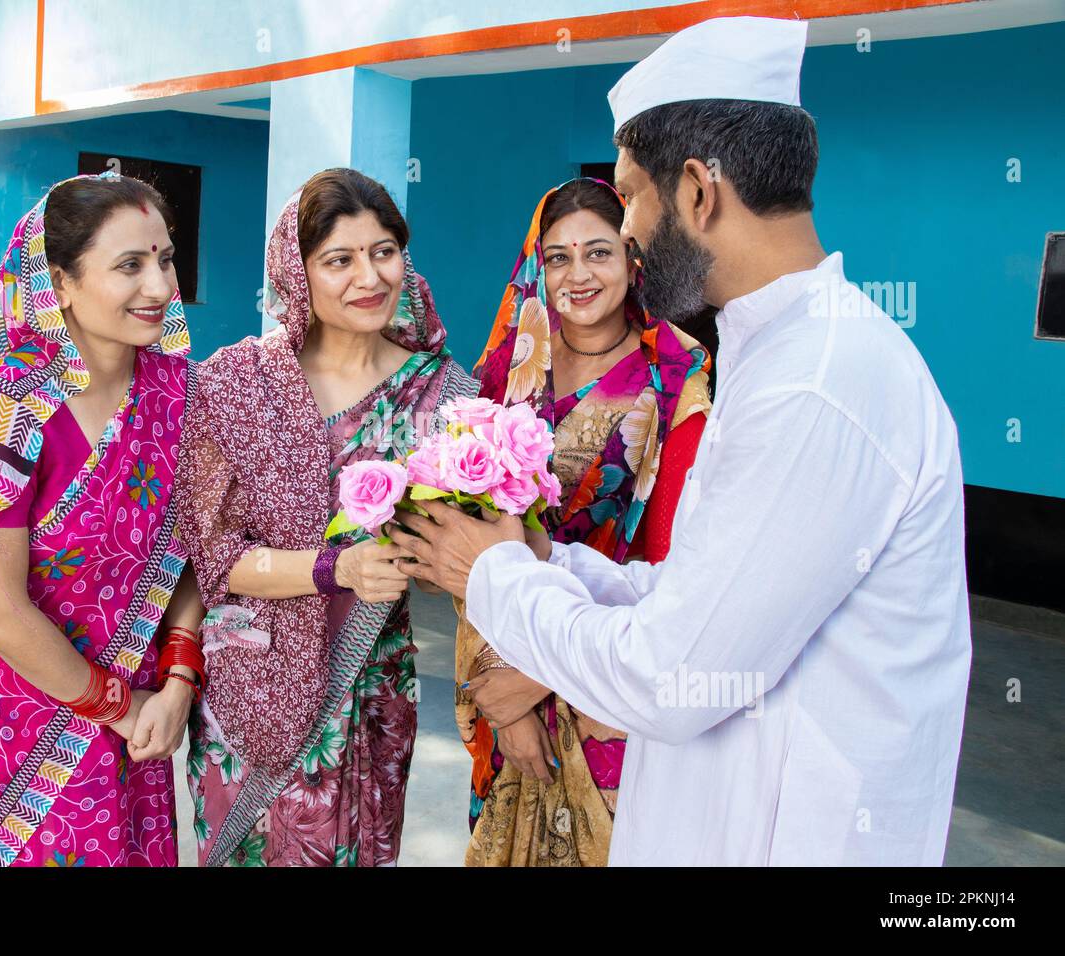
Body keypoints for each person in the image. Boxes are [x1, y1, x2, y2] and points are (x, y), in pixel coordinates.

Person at [391, 16, 971, 866]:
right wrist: (553, 561)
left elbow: (668, 673)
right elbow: (701, 591)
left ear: (699, 191)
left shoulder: (818, 380)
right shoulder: (782, 351)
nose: (622, 232)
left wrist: (494, 576)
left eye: (629, 197)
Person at [0, 172, 203, 867]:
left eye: (166, 258)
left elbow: (189, 556)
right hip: (24, 735)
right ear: (58, 282)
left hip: (141, 725)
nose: (159, 286)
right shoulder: (3, 412)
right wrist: (119, 705)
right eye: (130, 265)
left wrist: (178, 678)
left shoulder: (180, 396)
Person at [173, 167, 478, 866]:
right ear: (296, 272)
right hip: (248, 689)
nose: (368, 276)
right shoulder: (236, 384)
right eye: (338, 260)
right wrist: (336, 567)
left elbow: (461, 549)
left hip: (369, 681)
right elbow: (213, 556)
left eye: (384, 251)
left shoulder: (442, 393)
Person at [454, 177, 711, 865]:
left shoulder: (678, 379)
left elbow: (678, 573)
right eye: (558, 257)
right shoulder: (506, 371)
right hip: (498, 652)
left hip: (608, 674)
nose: (578, 275)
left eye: (597, 252)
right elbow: (467, 536)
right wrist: (502, 698)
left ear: (634, 260)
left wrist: (536, 682)